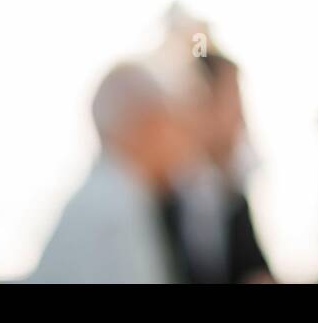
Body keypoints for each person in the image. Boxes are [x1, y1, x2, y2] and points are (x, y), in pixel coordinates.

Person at [32, 62, 198, 283]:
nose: (182, 142)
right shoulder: (117, 209)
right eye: (172, 121)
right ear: (148, 125)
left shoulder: (107, 196)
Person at [161, 51, 272, 283]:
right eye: (234, 103)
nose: (241, 120)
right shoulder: (162, 192)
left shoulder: (231, 191)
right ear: (201, 104)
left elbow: (253, 269)